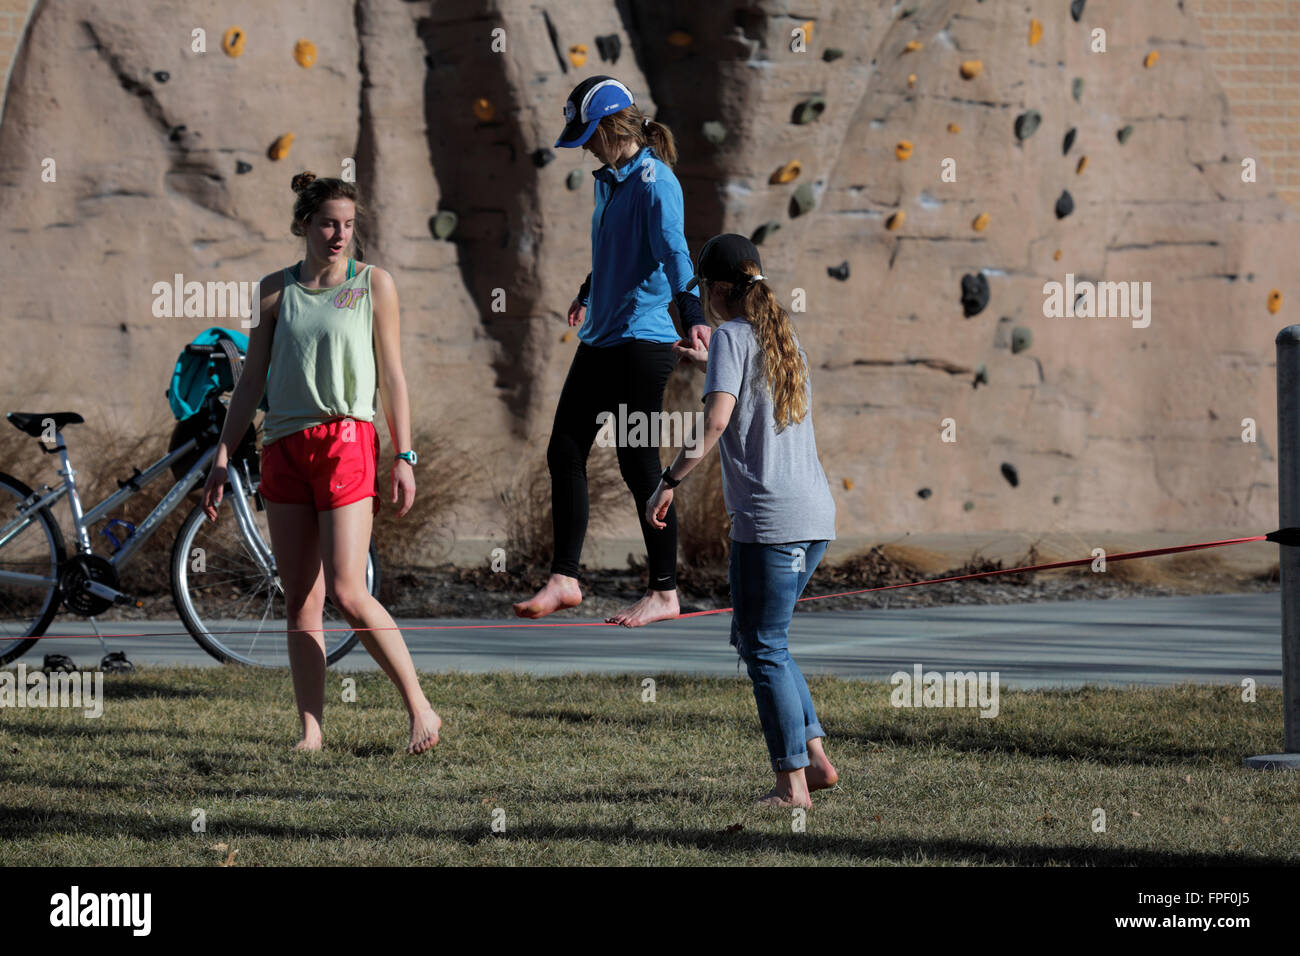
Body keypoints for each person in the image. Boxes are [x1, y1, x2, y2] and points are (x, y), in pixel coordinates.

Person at [202, 172, 441, 755]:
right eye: (329, 223)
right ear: (304, 225)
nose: (339, 234)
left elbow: (392, 376)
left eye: (349, 225)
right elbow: (251, 379)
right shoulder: (274, 290)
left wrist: (404, 454)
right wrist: (223, 454)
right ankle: (310, 731)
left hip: (347, 441)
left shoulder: (372, 284)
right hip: (282, 447)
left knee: (347, 588)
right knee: (300, 598)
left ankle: (420, 709)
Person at [646, 234, 838, 808]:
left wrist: (668, 481)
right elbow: (751, 384)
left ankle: (792, 785)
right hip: (815, 519)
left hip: (770, 521)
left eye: (704, 288)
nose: (703, 297)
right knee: (763, 640)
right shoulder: (781, 338)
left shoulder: (731, 336)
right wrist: (710, 363)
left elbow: (714, 425)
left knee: (763, 647)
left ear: (720, 289)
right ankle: (816, 761)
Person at [514, 75, 712, 628]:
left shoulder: (656, 181)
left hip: (642, 341)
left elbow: (673, 252)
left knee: (637, 462)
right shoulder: (610, 181)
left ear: (608, 128)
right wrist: (586, 290)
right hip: (602, 335)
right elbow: (616, 249)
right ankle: (565, 578)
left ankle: (665, 592)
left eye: (587, 135)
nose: (583, 147)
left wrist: (692, 315)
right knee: (565, 449)